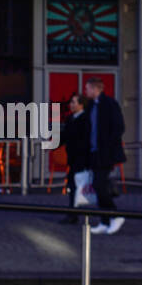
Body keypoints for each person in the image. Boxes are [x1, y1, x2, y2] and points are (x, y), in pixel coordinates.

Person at [84, 77, 127, 235]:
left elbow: (119, 127)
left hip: (105, 154)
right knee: (97, 186)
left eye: (88, 88)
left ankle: (116, 216)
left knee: (100, 185)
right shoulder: (91, 107)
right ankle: (105, 220)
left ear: (96, 89)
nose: (86, 91)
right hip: (95, 153)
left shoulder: (109, 104)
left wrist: (108, 146)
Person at [59, 92, 90, 224]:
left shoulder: (87, 119)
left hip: (83, 159)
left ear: (81, 105)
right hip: (73, 158)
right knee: (73, 185)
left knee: (82, 186)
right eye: (71, 102)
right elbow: (64, 136)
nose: (71, 105)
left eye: (74, 102)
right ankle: (73, 213)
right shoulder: (70, 119)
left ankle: (107, 214)